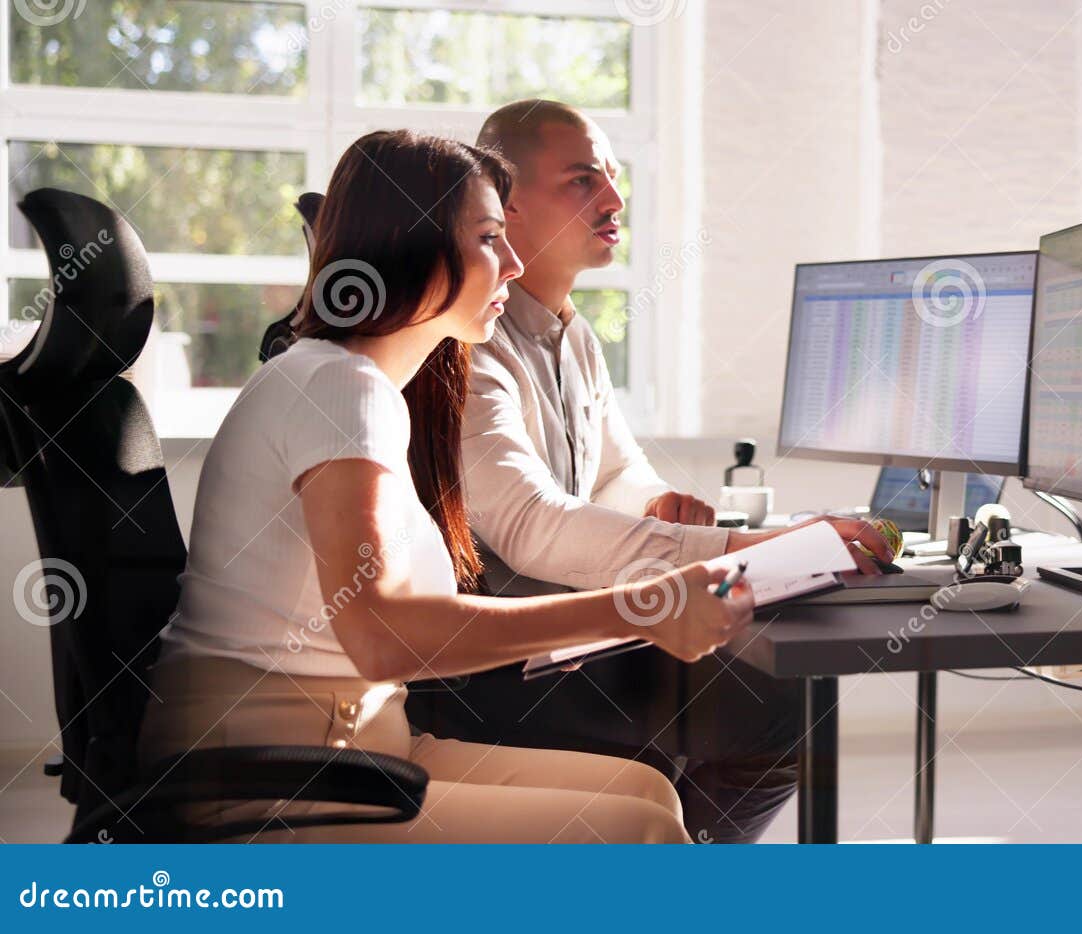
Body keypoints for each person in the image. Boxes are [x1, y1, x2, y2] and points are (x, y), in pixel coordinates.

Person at [140, 130, 755, 843]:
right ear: (412, 245)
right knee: (632, 832)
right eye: (491, 238)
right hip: (271, 777)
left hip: (361, 742)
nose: (515, 262)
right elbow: (381, 633)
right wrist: (638, 608)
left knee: (646, 790)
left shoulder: (362, 386)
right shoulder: (340, 388)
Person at [404, 99, 890, 844]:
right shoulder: (470, 343)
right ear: (505, 203)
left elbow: (608, 476)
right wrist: (753, 554)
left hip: (578, 636)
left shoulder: (573, 334)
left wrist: (654, 499)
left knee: (776, 698)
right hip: (502, 667)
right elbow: (534, 527)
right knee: (761, 700)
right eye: (582, 180)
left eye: (614, 176)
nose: (614, 199)